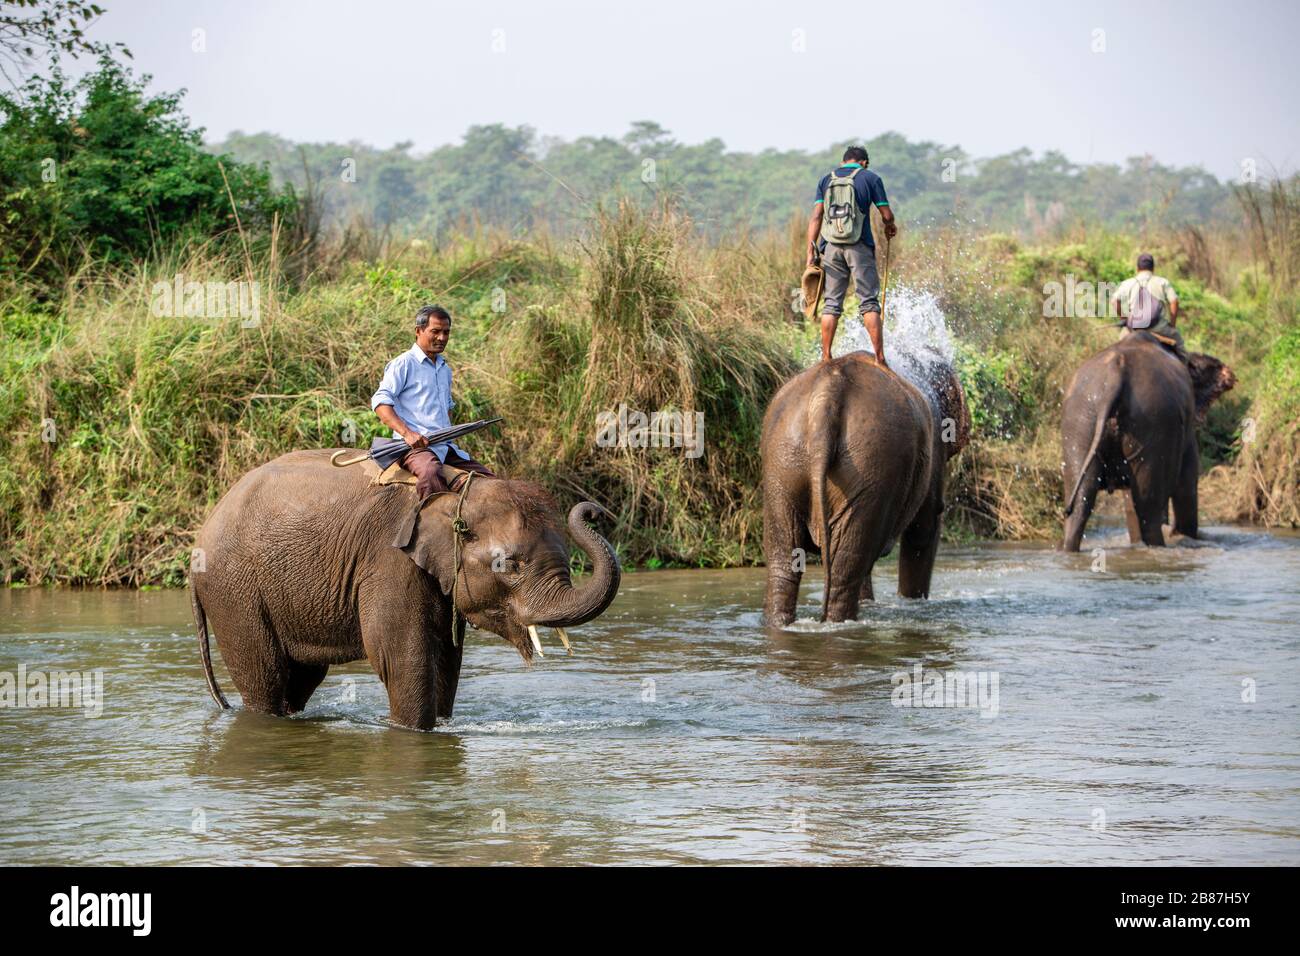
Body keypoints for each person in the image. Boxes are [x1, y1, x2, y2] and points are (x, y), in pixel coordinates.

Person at [371, 304, 496, 497]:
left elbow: (446, 409)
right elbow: (380, 403)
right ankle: (426, 527)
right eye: (435, 331)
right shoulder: (403, 364)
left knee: (490, 480)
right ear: (418, 331)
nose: (442, 338)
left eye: (446, 332)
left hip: (444, 446)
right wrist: (408, 434)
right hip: (414, 449)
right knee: (431, 474)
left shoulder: (444, 368)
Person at [806, 146, 897, 364]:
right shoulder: (871, 178)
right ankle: (880, 358)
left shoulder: (826, 180)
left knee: (831, 303)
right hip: (859, 246)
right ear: (864, 162)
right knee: (868, 301)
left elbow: (816, 216)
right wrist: (890, 225)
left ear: (843, 161)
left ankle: (826, 356)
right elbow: (885, 213)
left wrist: (811, 249)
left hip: (830, 247)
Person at [1111, 253, 1187, 362]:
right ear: (1153, 268)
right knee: (1181, 349)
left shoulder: (1127, 283)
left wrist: (1124, 319)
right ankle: (1186, 370)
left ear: (1137, 268)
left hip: (1134, 329)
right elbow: (1174, 302)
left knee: (1118, 347)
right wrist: (1172, 324)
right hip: (1159, 328)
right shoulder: (1163, 282)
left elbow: (1114, 301)